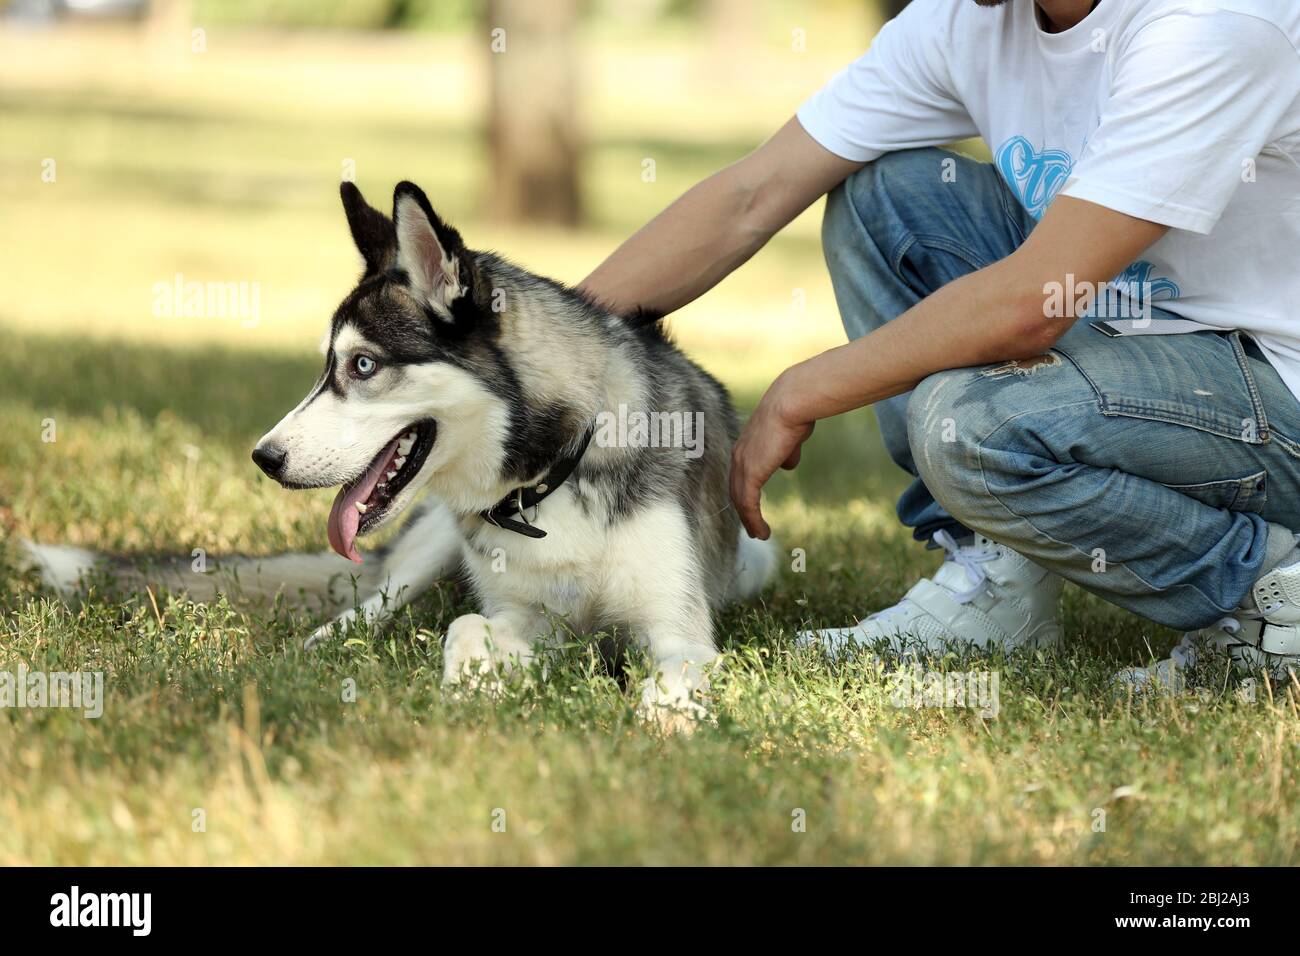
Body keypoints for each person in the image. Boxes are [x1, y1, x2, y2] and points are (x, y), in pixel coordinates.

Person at [579, 0, 1300, 689]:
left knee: (972, 424)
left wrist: (802, 389)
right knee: (886, 197)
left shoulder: (1213, 23)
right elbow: (753, 193)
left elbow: (1033, 304)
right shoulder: (968, 19)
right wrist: (553, 358)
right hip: (1138, 346)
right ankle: (999, 583)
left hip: (1273, 386)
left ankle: (1266, 599)